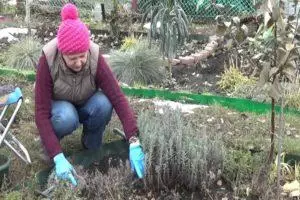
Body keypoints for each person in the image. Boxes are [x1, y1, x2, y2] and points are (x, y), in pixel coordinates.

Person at [35, 3, 145, 186]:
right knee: (66, 117)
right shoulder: (48, 58)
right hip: (61, 107)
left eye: (82, 56)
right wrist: (58, 156)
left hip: (86, 102)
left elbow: (118, 97)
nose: (79, 63)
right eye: (72, 58)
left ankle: (90, 146)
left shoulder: (94, 56)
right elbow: (40, 112)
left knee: (104, 103)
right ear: (62, 53)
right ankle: (50, 149)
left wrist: (133, 140)